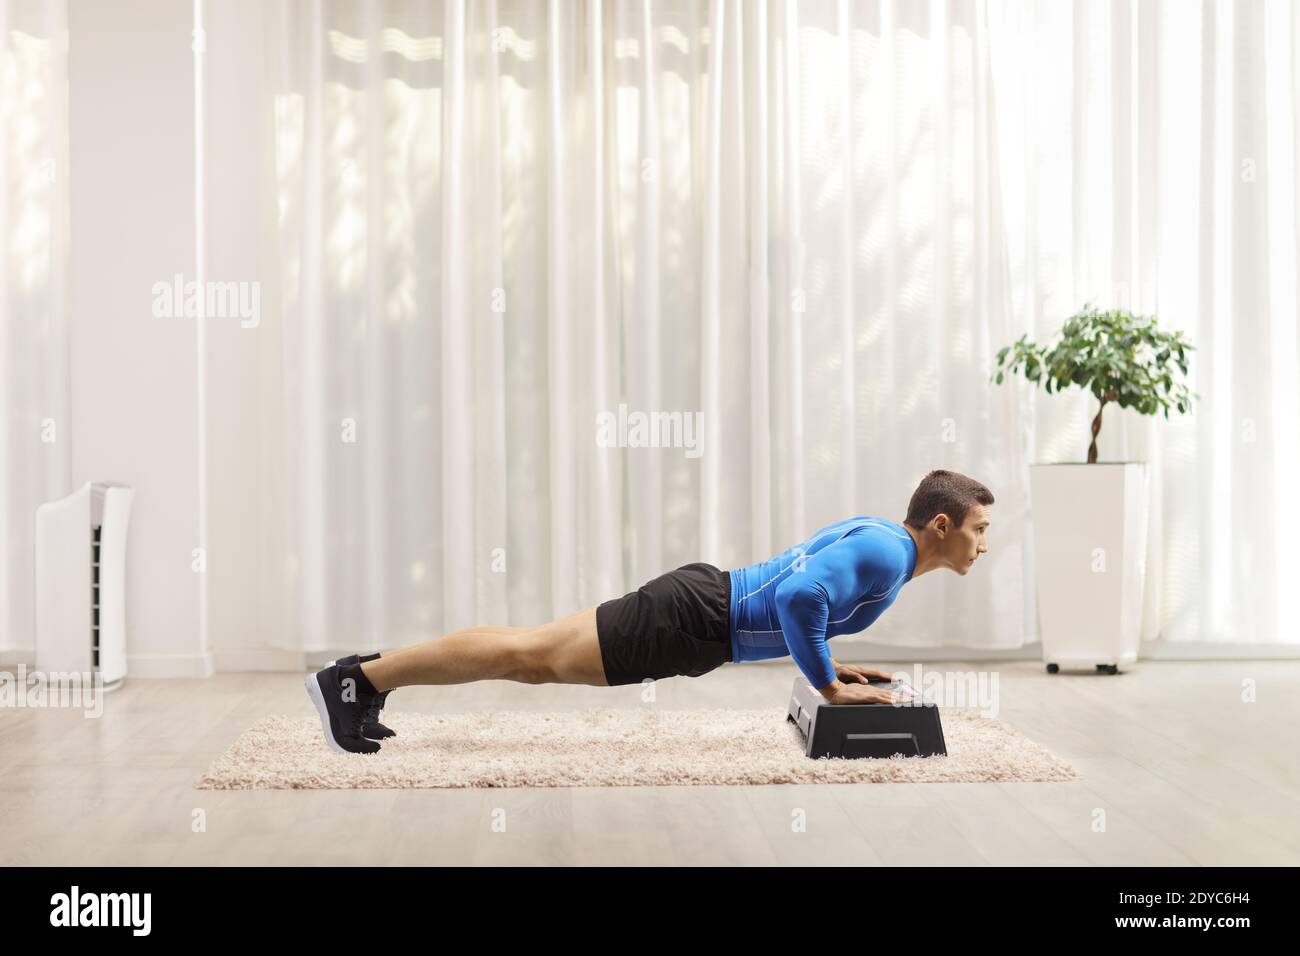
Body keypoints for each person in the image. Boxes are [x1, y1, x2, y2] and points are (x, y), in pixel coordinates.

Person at [305, 468, 993, 754]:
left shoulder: (884, 540)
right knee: (530, 660)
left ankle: (365, 675)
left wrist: (832, 666)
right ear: (941, 524)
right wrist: (827, 686)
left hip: (700, 603)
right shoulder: (888, 554)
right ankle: (355, 682)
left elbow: (798, 592)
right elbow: (796, 597)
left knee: (529, 647)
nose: (983, 545)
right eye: (979, 529)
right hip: (695, 619)